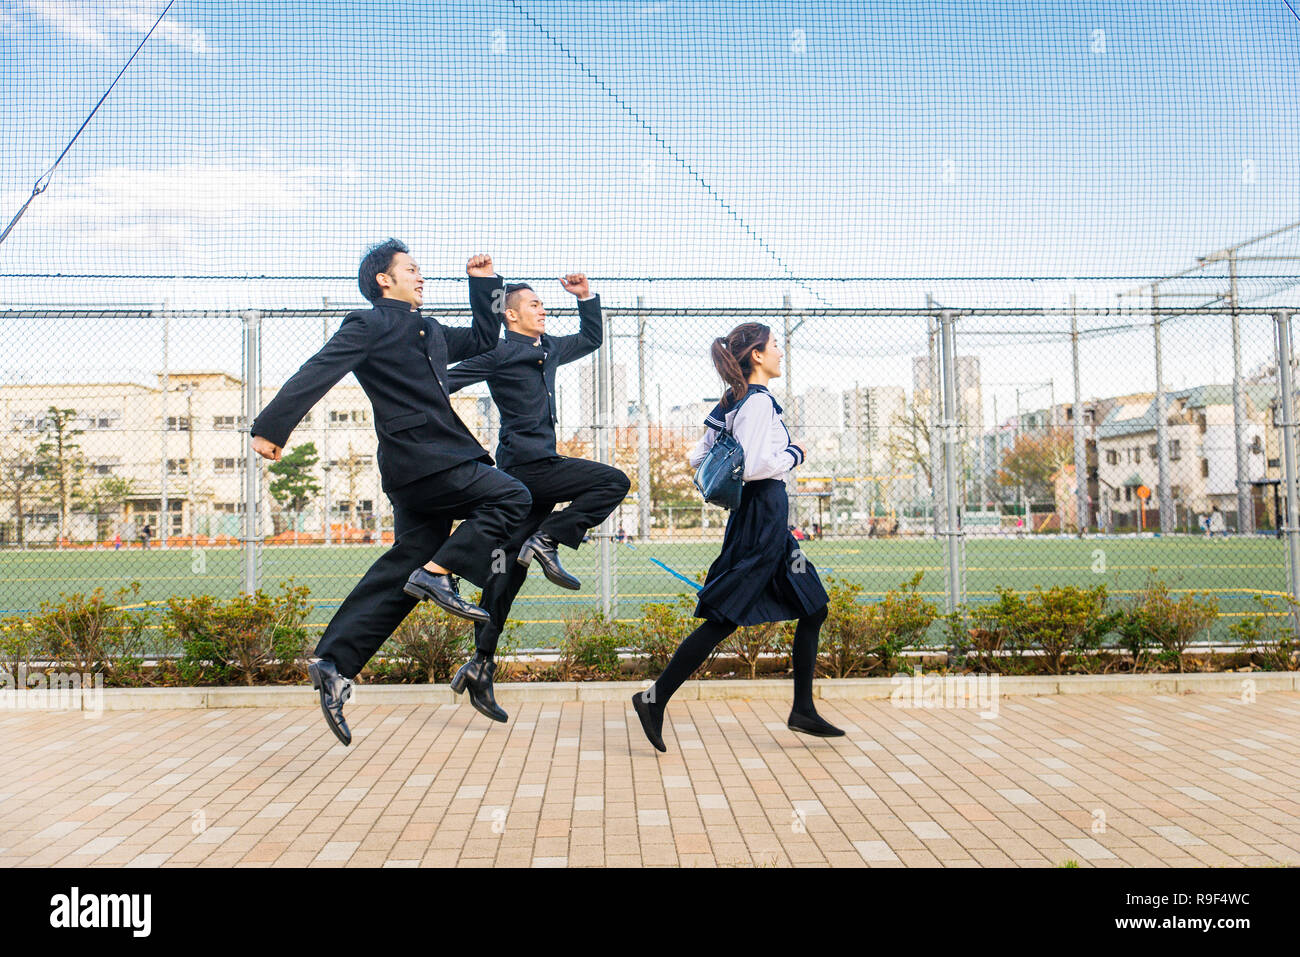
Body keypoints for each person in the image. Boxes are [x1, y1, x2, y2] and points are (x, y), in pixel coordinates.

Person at [250, 242, 532, 746]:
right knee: (512, 497)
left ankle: (335, 662)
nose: (421, 277)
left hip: (420, 469)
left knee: (406, 566)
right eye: (411, 269)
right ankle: (438, 574)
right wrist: (272, 427)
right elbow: (319, 370)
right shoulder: (369, 323)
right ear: (384, 280)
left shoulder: (432, 331)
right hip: (428, 460)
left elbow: (489, 336)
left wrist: (487, 284)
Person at [632, 322, 843, 752]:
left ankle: (803, 707)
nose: (781, 352)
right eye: (775, 346)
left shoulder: (733, 400)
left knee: (814, 606)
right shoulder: (759, 402)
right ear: (758, 356)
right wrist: (796, 453)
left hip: (761, 518)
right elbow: (752, 465)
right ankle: (653, 700)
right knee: (725, 617)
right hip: (764, 514)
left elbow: (698, 455)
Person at [442, 271, 631, 722]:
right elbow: (443, 383)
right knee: (612, 481)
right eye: (534, 305)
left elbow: (590, 337)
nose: (543, 309)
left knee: (505, 573)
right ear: (509, 315)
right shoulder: (498, 351)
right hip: (525, 468)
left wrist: (586, 297)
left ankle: (480, 666)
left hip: (532, 477)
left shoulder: (548, 350)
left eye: (544, 304)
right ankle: (546, 540)